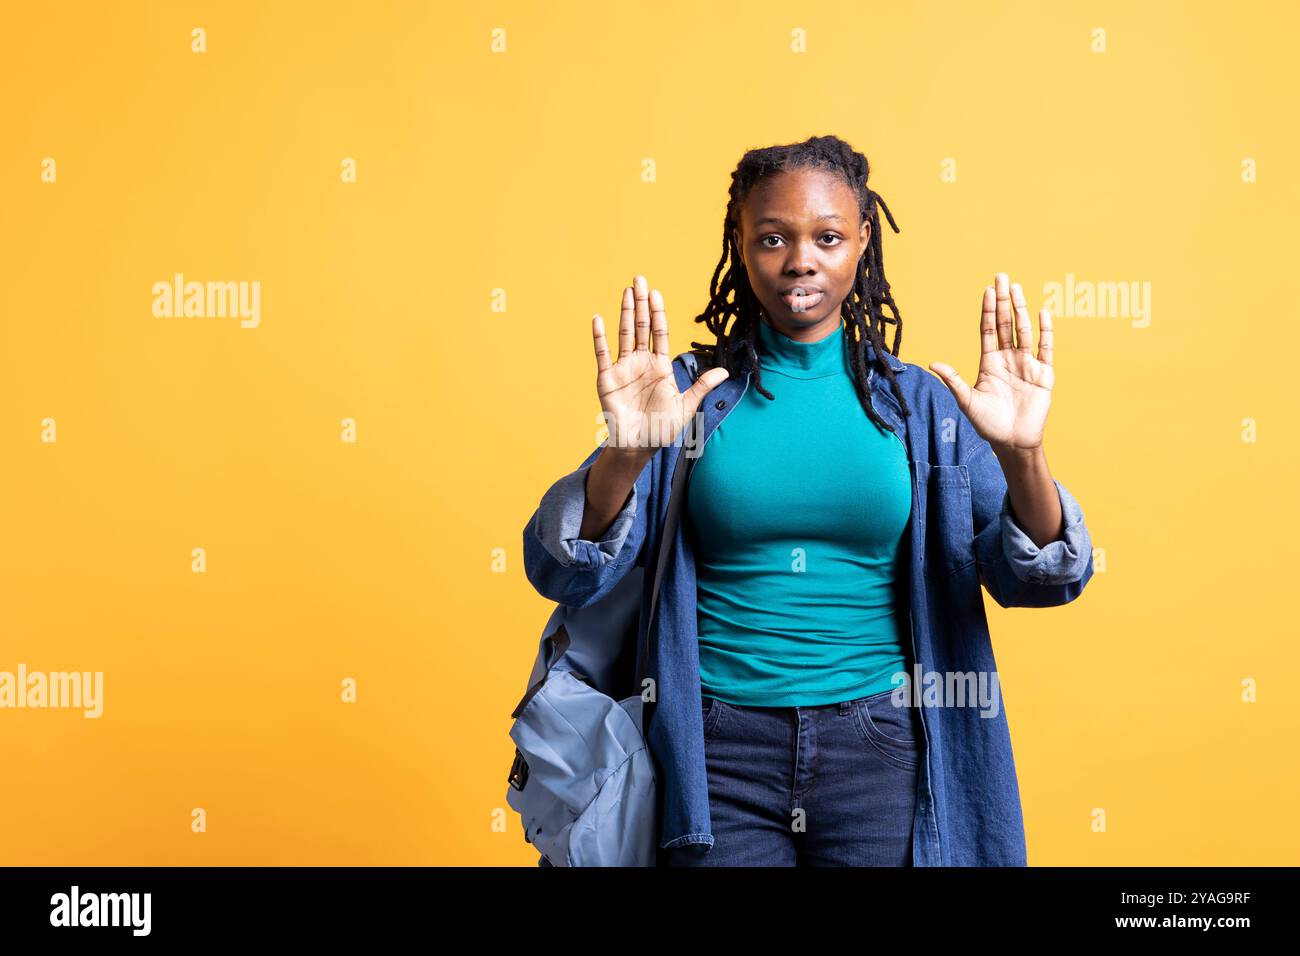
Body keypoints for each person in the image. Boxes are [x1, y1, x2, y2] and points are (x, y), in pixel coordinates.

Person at [523, 134, 1095, 866]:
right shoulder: (685, 397)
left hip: (882, 748)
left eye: (827, 236)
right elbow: (563, 571)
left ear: (862, 242)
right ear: (741, 243)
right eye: (773, 238)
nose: (801, 260)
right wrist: (625, 455)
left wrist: (1024, 455)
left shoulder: (919, 407)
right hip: (714, 750)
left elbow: (1046, 577)